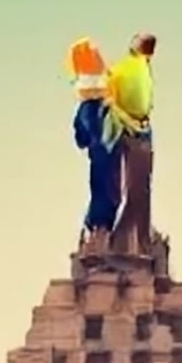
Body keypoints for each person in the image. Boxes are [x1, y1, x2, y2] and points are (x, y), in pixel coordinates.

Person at [67, 38, 122, 254]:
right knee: (111, 194)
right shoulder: (109, 107)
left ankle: (99, 231)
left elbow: (80, 139)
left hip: (100, 160)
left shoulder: (84, 110)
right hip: (112, 157)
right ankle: (101, 232)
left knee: (102, 192)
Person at [103, 34, 157, 254]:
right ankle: (118, 241)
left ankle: (141, 239)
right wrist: (129, 122)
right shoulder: (121, 70)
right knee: (135, 189)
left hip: (142, 129)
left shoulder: (143, 68)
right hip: (126, 129)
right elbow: (109, 99)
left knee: (141, 189)